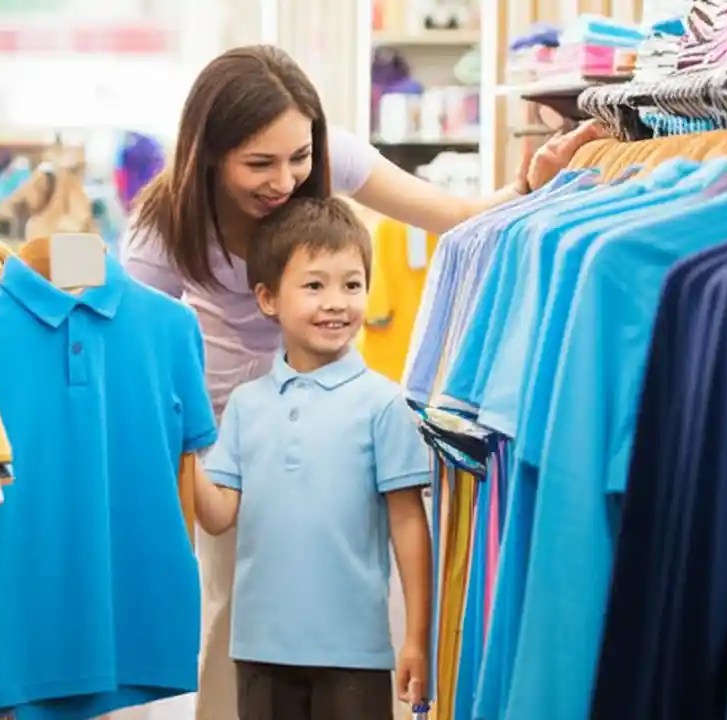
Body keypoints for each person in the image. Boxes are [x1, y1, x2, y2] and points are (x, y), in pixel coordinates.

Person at [120, 44, 605, 719]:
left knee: (344, 576)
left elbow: (452, 218)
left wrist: (530, 187)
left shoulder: (331, 156)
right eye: (258, 164)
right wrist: (181, 441)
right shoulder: (163, 224)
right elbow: (134, 344)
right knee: (234, 603)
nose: (285, 180)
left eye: (299, 158)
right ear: (207, 153)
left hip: (332, 402)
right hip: (230, 423)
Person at [191, 196, 431, 720]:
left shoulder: (383, 402)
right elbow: (217, 516)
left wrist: (416, 636)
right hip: (259, 651)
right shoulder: (246, 405)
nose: (337, 302)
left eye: (352, 284)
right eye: (315, 285)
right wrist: (182, 443)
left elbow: (409, 522)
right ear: (268, 298)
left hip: (355, 654)